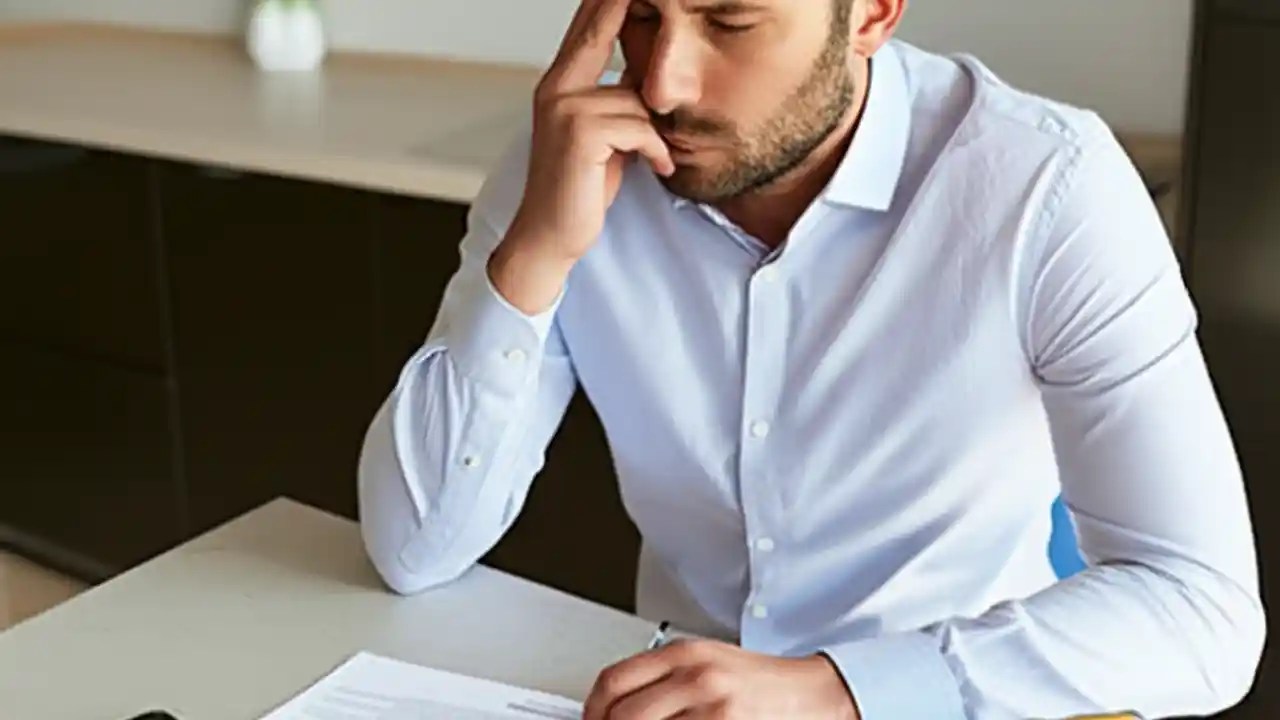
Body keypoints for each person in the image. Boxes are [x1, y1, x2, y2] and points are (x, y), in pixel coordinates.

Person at [357, 0, 1266, 717]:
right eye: (639, 14)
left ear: (871, 13)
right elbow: (412, 547)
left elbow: (1203, 614)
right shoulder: (569, 162)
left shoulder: (1048, 189)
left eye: (729, 21)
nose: (664, 83)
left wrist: (838, 692)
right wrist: (534, 257)